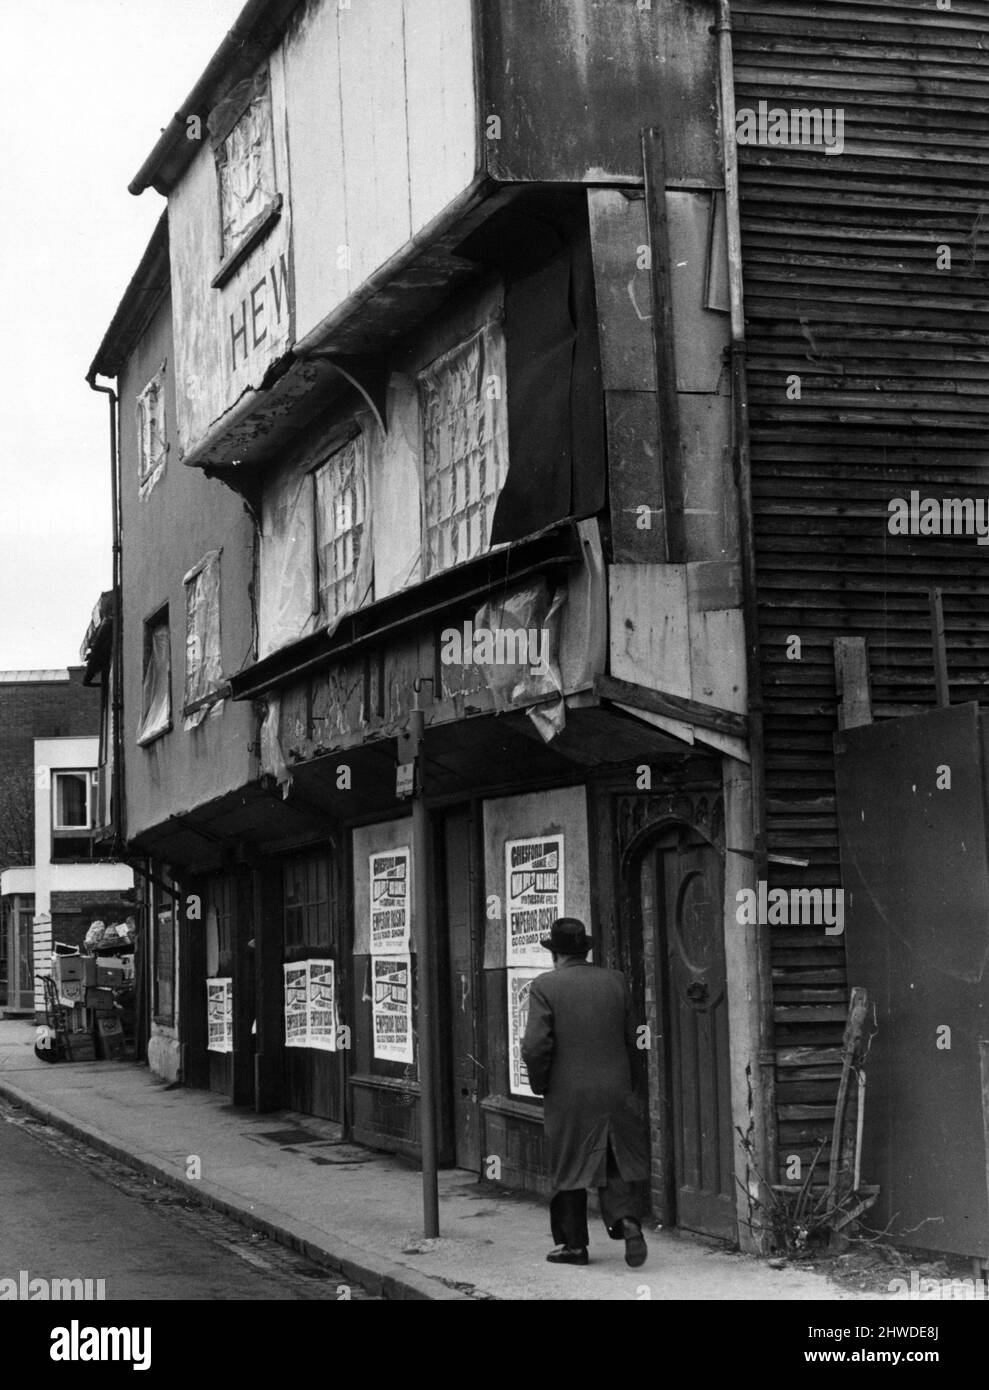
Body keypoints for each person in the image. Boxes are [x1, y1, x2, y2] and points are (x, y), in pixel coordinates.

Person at [521, 917, 649, 1267]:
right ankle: (628, 1222)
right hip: (615, 1089)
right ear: (584, 950)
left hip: (569, 1093)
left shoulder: (545, 986)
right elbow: (636, 1036)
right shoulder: (616, 981)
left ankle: (574, 1245)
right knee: (613, 1156)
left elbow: (535, 1046)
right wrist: (633, 1084)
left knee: (568, 1165)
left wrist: (540, 1082)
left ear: (555, 954)